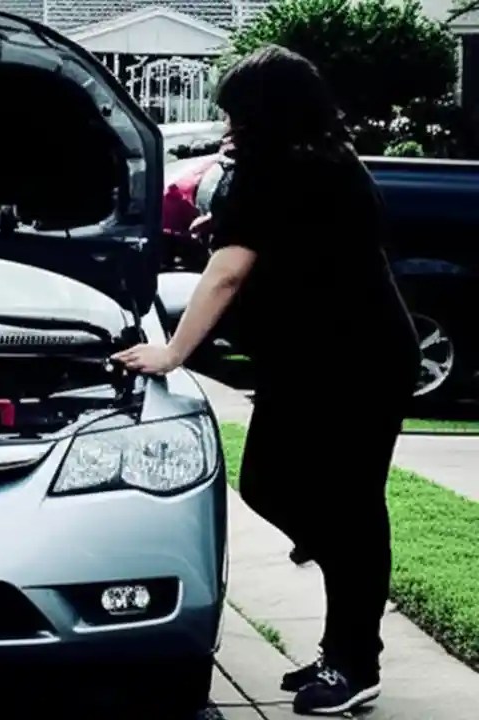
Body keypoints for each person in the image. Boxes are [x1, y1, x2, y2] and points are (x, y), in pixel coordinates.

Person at [112, 44, 420, 716]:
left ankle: (353, 662)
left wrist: (173, 354)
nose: (229, 127)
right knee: (292, 492)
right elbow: (292, 241)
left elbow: (226, 274)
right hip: (328, 358)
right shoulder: (327, 161)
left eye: (237, 115)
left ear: (266, 115)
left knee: (340, 510)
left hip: (352, 363)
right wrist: (230, 226)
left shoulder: (275, 170)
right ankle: (346, 633)